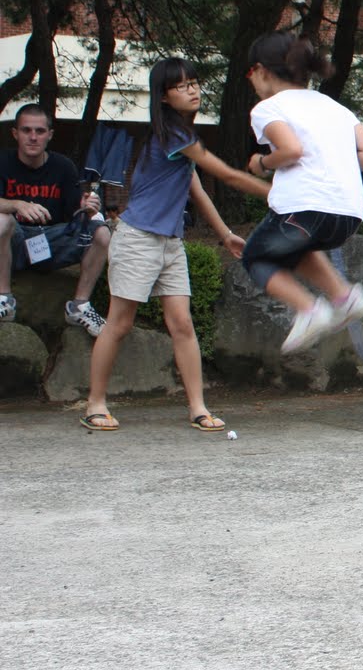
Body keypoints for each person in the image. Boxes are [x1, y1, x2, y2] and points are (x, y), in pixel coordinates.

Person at [82, 58, 267, 432]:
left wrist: (224, 233)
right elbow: (226, 175)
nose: (193, 90)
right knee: (120, 323)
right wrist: (276, 192)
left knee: (182, 323)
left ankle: (198, 407)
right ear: (163, 97)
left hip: (170, 243)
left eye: (194, 82)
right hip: (137, 239)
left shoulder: (180, 136)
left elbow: (195, 188)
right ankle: (94, 404)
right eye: (182, 86)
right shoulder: (172, 135)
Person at [241, 31, 363, 353]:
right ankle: (345, 298)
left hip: (304, 209)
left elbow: (291, 150)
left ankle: (309, 309)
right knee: (296, 247)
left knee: (255, 257)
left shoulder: (268, 108)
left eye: (249, 73)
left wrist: (262, 163)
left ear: (261, 70)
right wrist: (337, 172)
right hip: (348, 215)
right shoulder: (334, 107)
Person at [0, 103, 110, 336]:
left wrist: (87, 207)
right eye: (26, 130)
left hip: (50, 242)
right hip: (13, 240)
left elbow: (76, 213)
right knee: (2, 220)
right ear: (15, 133)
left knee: (101, 232)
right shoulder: (3, 161)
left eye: (39, 131)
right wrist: (17, 204)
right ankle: (4, 300)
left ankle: (79, 307)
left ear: (49, 135)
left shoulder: (63, 166)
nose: (33, 137)